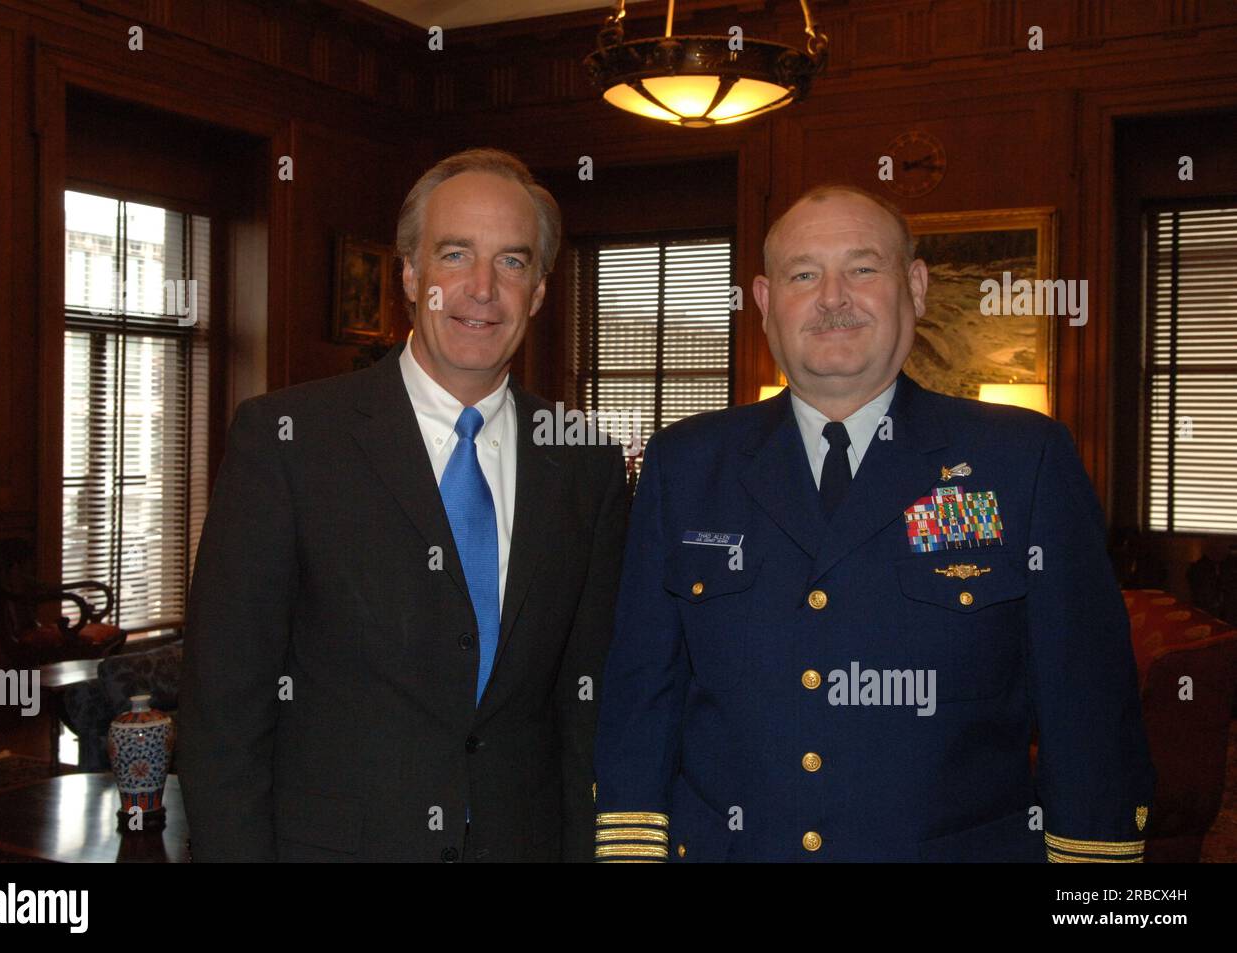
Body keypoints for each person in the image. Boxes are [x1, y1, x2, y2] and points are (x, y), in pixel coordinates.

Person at [592, 184, 1153, 862]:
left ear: (914, 287)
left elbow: (1085, 701)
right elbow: (640, 692)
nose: (833, 297)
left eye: (862, 268)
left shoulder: (1022, 459)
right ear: (766, 304)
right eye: (805, 274)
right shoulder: (685, 464)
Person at [178, 148, 628, 862]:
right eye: (455, 255)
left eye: (512, 262)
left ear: (539, 290)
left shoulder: (586, 462)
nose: (482, 289)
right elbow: (223, 712)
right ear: (412, 275)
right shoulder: (288, 442)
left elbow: (586, 710)